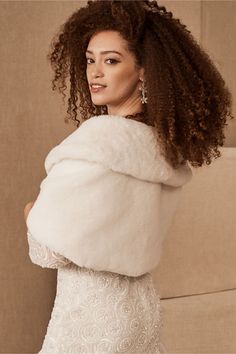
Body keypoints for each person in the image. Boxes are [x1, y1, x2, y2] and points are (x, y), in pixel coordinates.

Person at [23, 1, 234, 353]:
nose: (95, 73)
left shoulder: (97, 145)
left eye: (111, 60)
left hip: (91, 314)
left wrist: (30, 212)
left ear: (144, 71)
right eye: (90, 59)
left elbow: (46, 250)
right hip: (140, 309)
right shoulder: (162, 147)